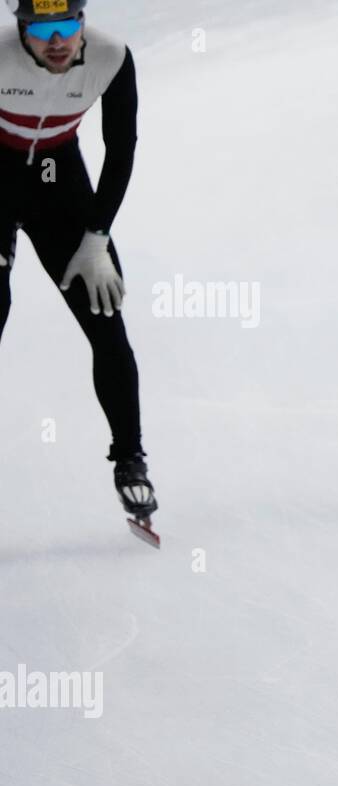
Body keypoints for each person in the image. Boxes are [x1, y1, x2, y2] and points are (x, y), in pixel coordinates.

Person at [0, 0, 156, 534]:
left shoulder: (112, 56)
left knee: (105, 317)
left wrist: (97, 236)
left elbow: (121, 147)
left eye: (68, 27)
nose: (58, 42)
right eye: (43, 31)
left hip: (56, 180)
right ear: (21, 30)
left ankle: (131, 458)